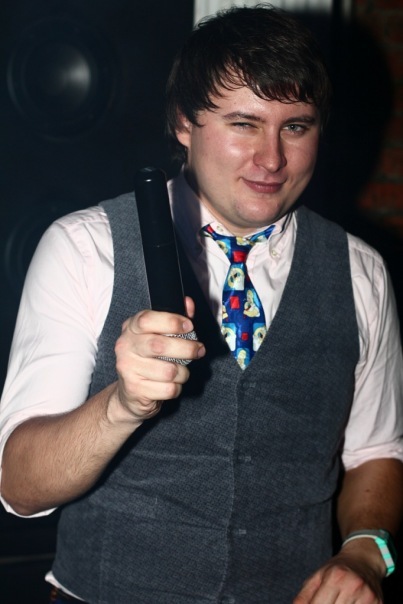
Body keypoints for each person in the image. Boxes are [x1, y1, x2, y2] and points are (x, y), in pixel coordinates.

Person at [1, 5, 403, 603]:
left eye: (296, 126)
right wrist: (121, 406)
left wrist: (366, 549)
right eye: (244, 124)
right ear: (184, 123)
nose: (272, 159)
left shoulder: (362, 272)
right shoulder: (84, 249)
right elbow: (21, 486)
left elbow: (375, 451)